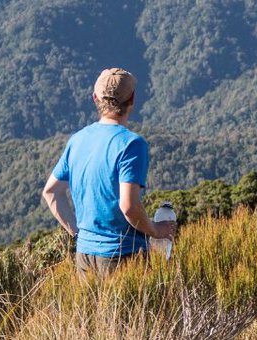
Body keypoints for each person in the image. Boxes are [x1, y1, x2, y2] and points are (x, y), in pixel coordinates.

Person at [41, 67, 177, 279]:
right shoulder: (132, 144)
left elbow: (51, 192)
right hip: (124, 256)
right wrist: (155, 231)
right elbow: (129, 206)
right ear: (132, 99)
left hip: (84, 256)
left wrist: (78, 234)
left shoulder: (78, 140)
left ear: (95, 98)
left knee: (93, 313)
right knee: (131, 313)